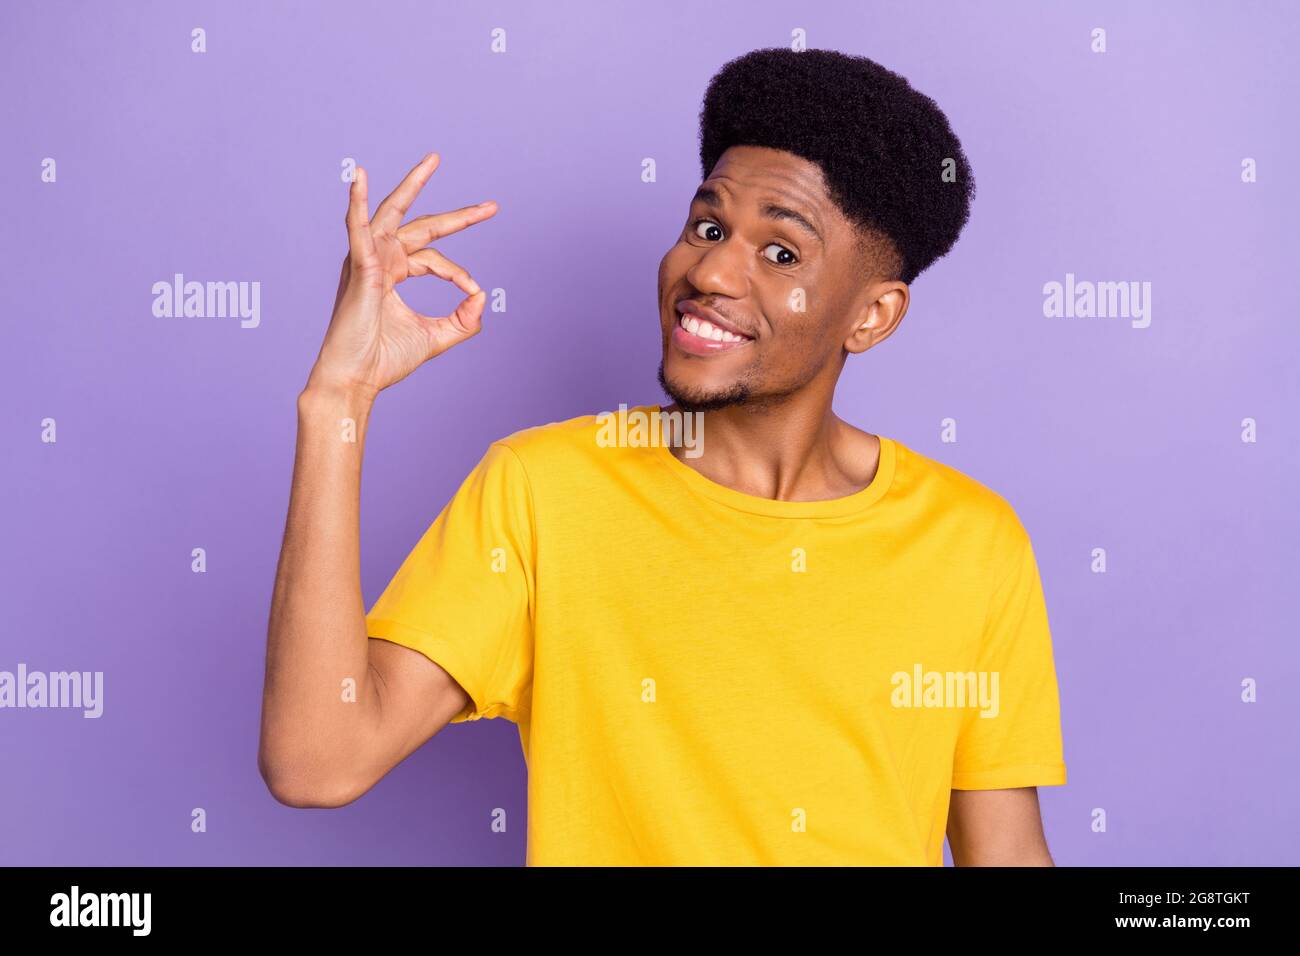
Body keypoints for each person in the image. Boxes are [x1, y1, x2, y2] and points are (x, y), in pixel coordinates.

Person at [259, 47, 1067, 866]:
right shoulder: (546, 492)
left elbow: (1005, 855)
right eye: (707, 227)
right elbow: (316, 762)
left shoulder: (971, 541)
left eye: (780, 252)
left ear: (872, 316)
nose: (710, 270)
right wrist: (337, 404)